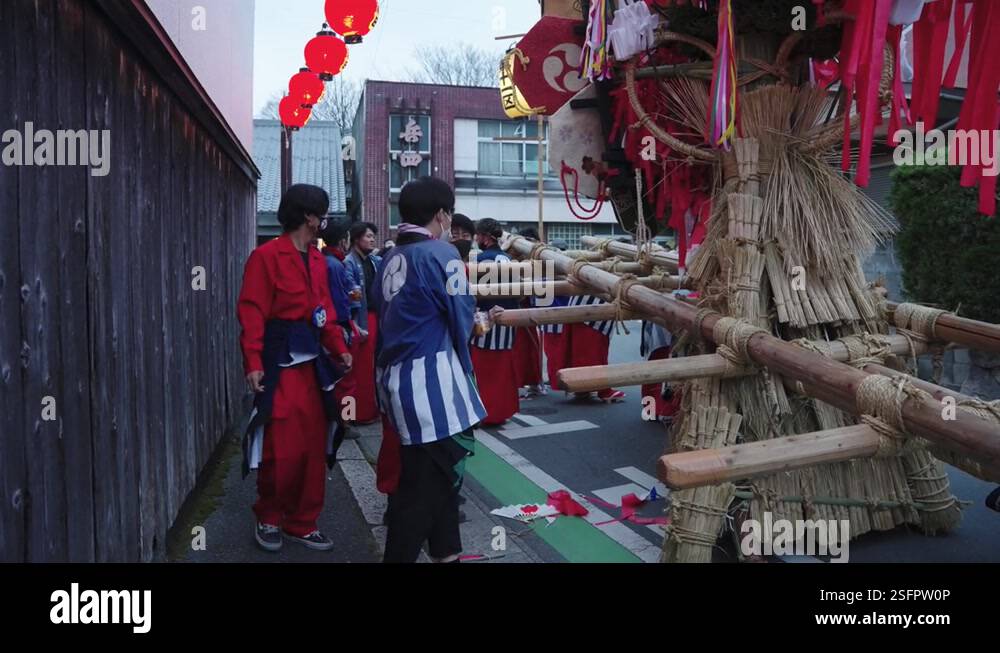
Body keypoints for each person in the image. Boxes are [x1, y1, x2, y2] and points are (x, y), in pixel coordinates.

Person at [372, 176, 487, 563]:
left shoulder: (389, 255)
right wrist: (477, 325)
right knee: (422, 491)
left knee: (437, 484)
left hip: (395, 379)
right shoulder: (442, 253)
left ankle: (447, 553)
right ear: (441, 214)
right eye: (448, 215)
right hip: (430, 384)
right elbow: (460, 313)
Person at [237, 184, 353, 553]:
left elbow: (325, 313)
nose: (325, 220)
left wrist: (339, 347)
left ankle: (304, 521)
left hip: (313, 367)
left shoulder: (318, 260)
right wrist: (253, 361)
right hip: (281, 364)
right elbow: (252, 311)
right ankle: (269, 515)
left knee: (312, 447)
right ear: (309, 216)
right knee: (281, 449)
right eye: (323, 213)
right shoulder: (266, 256)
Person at [469, 218, 521, 425]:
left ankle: (485, 413)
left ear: (483, 236)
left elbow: (472, 295)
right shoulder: (509, 259)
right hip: (508, 320)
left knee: (483, 369)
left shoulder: (481, 260)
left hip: (484, 319)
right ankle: (502, 411)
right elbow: (520, 294)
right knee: (502, 369)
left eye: (477, 235)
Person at [320, 220, 362, 450]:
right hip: (340, 327)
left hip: (329, 328)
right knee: (347, 381)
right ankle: (345, 422)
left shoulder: (323, 261)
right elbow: (339, 302)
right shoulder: (336, 265)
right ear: (343, 240)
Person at [345, 221, 383, 424]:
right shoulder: (348, 262)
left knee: (372, 367)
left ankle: (370, 410)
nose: (371, 239)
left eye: (372, 236)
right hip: (359, 320)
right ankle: (352, 415)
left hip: (374, 318)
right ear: (356, 238)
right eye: (368, 236)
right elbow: (349, 296)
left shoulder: (375, 261)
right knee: (356, 370)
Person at [565, 293, 626, 402]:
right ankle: (602, 389)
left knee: (580, 351)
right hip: (594, 306)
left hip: (580, 305)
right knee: (594, 351)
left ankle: (581, 388)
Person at [512, 228, 545, 398]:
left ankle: (534, 382)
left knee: (533, 348)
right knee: (518, 349)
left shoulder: (541, 258)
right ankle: (518, 384)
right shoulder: (513, 259)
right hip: (517, 309)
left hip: (533, 309)